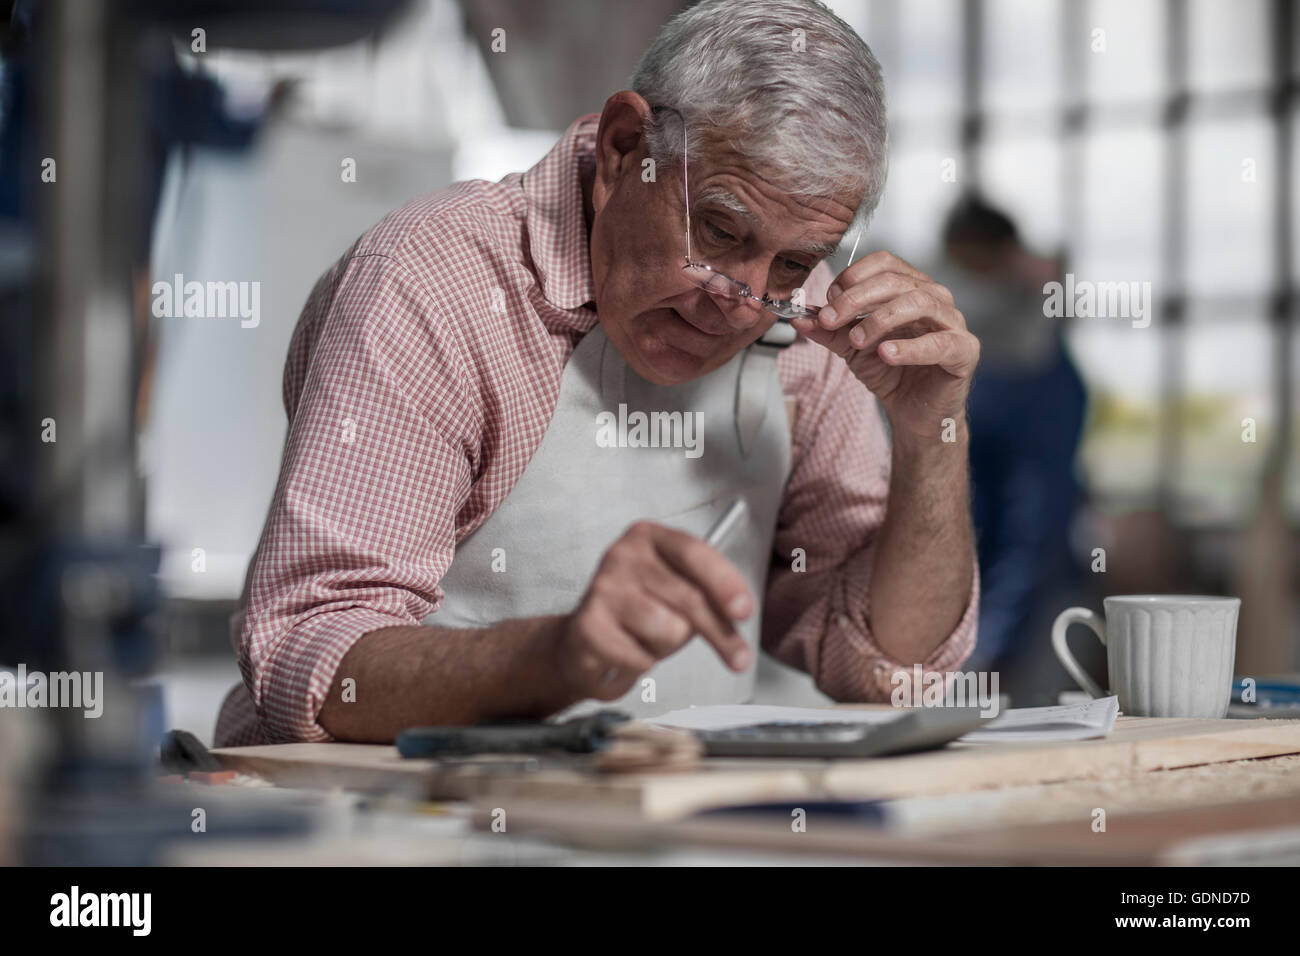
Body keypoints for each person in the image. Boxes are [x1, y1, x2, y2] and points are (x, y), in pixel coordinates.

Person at [215, 0, 982, 746]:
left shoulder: (807, 325)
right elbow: (307, 650)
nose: (744, 305)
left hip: (657, 817)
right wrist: (556, 659)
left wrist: (932, 432)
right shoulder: (435, 281)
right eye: (718, 230)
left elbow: (889, 671)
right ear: (622, 150)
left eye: (792, 262)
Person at [932, 195, 1086, 681]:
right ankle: (978, 652)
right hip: (993, 434)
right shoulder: (963, 290)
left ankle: (990, 654)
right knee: (977, 527)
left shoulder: (1032, 295)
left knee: (1031, 541)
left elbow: (1031, 526)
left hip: (1035, 427)